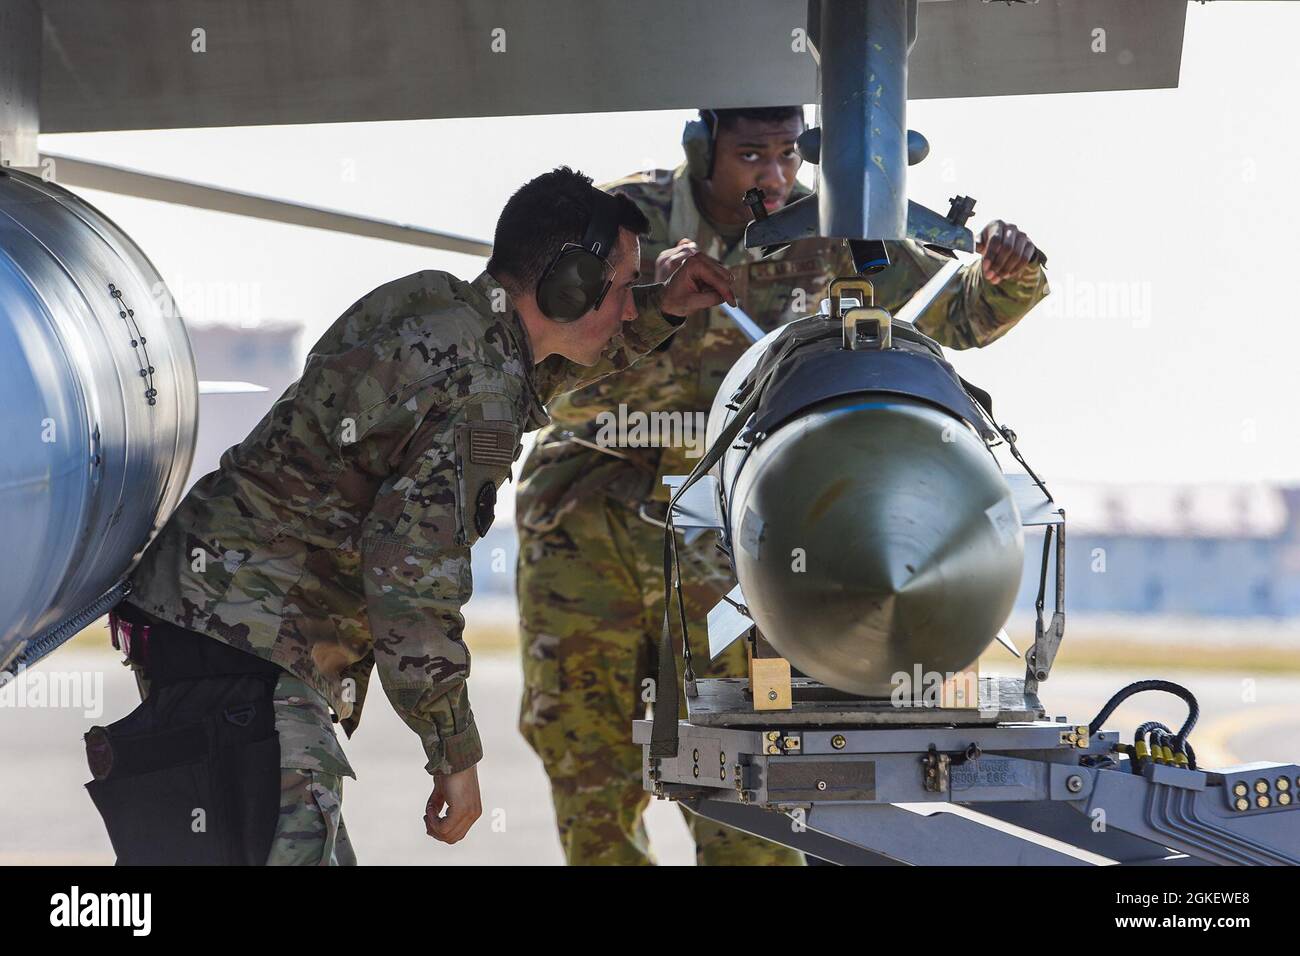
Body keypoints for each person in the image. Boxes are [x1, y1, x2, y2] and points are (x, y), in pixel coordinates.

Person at [84, 166, 737, 865]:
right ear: (567, 286)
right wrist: (454, 753)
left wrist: (662, 307)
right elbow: (412, 584)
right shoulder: (477, 396)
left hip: (222, 629)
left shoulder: (440, 312)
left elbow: (541, 366)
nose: (630, 311)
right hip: (247, 645)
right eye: (620, 291)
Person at [515, 107, 1050, 865]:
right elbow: (542, 362)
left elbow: (953, 309)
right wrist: (649, 302)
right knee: (587, 771)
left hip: (728, 550)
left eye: (786, 156)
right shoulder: (623, 225)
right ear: (704, 152)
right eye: (750, 155)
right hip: (584, 528)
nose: (772, 175)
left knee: (747, 785)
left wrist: (1008, 271)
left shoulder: (828, 232)